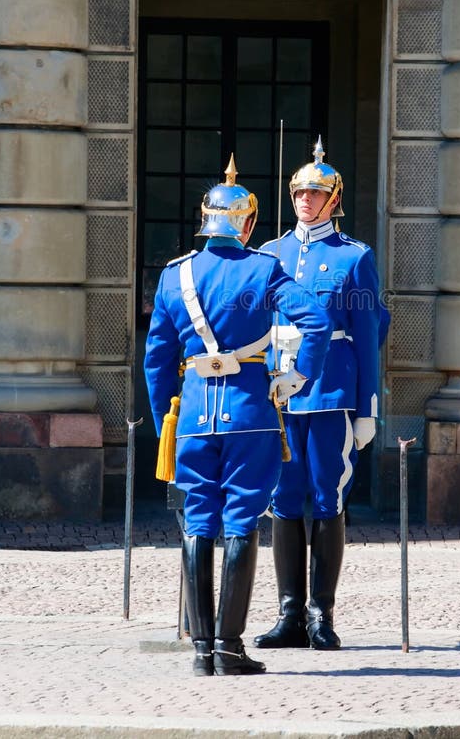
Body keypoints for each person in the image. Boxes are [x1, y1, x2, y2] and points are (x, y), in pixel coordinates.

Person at [144, 155, 331, 677]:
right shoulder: (262, 267)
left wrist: (166, 421)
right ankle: (229, 646)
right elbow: (315, 321)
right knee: (242, 522)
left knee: (199, 520)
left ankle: (202, 650)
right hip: (251, 412)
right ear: (246, 224)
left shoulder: (173, 276)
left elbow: (156, 359)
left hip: (196, 413)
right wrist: (298, 378)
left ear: (205, 220)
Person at [254, 137, 390, 652]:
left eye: (316, 194)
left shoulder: (354, 257)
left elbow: (369, 333)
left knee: (327, 497)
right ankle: (288, 613)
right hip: (279, 392)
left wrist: (367, 406)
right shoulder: (270, 253)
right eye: (299, 194)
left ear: (334, 199)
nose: (306, 202)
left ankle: (320, 614)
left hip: (331, 390)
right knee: (282, 499)